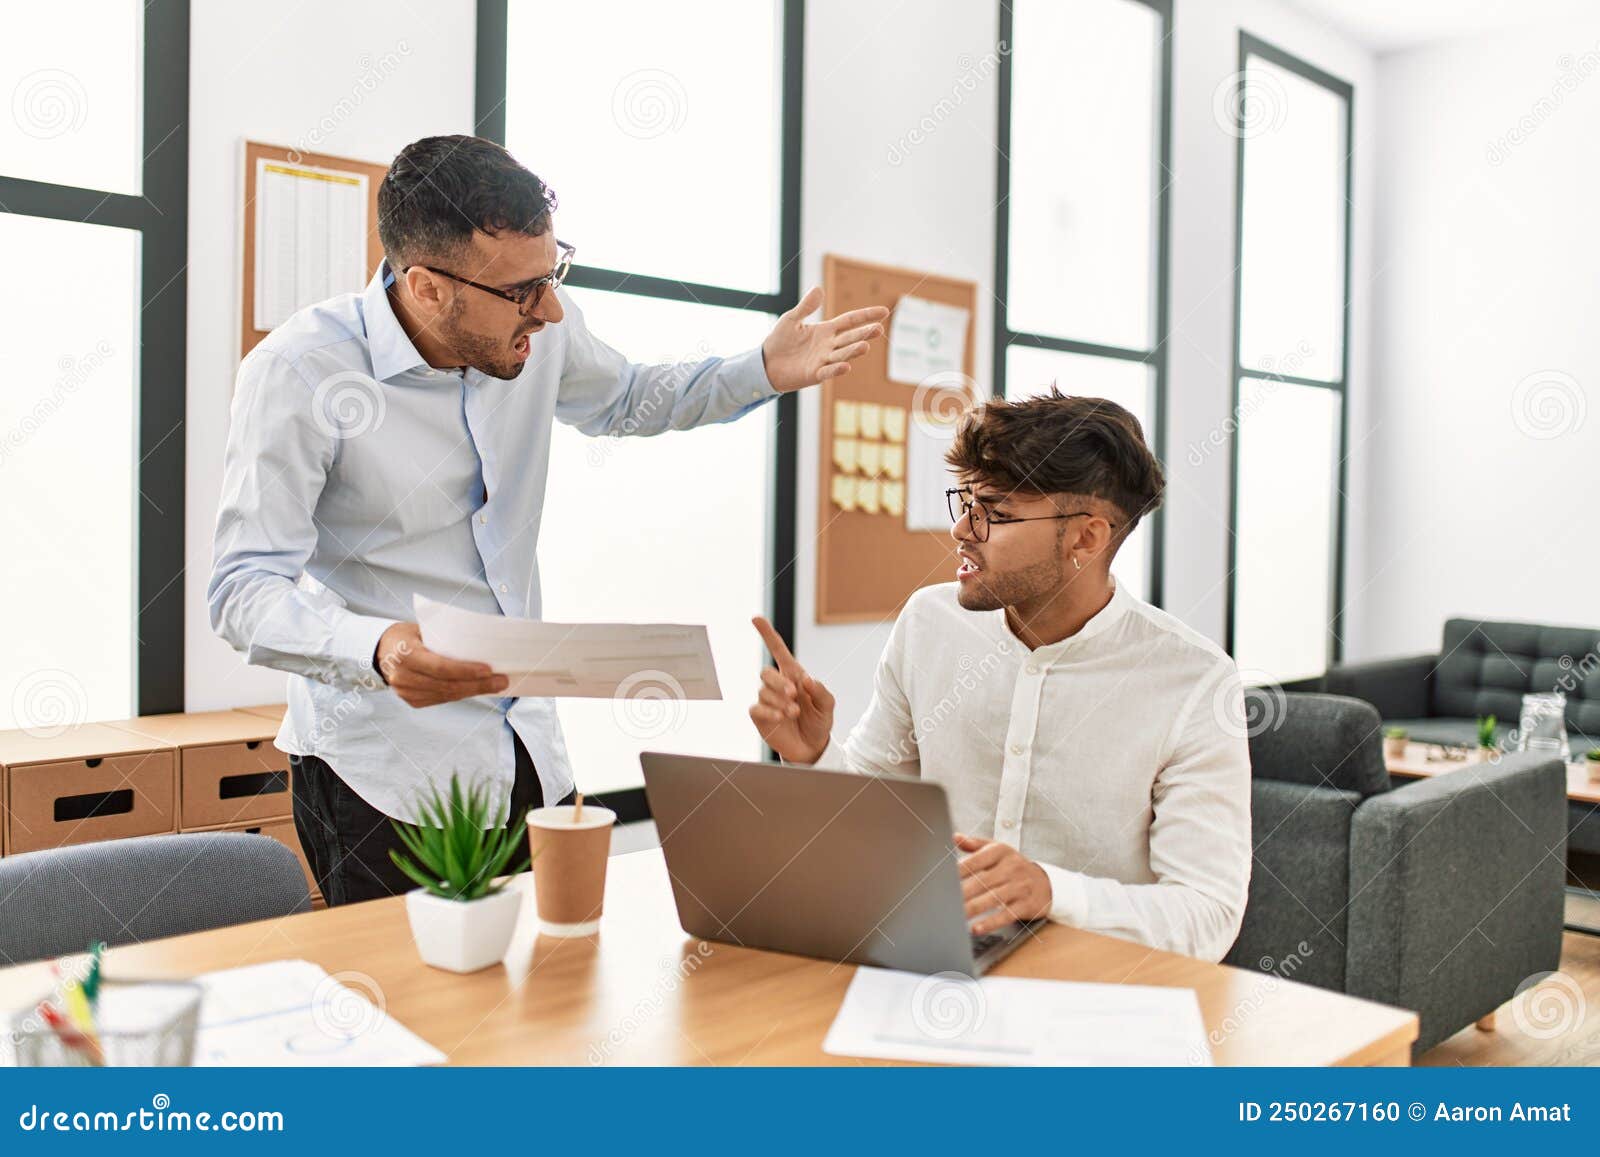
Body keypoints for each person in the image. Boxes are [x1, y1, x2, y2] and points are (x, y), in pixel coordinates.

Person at [209, 134, 887, 906]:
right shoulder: (302, 372)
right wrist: (379, 646)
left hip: (529, 751)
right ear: (428, 288)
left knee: (547, 996)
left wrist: (759, 370)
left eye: (553, 275)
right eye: (526, 291)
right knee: (414, 1014)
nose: (553, 308)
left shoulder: (536, 326)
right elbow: (242, 589)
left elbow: (626, 398)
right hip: (386, 772)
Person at [748, 390, 1252, 961]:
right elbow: (874, 814)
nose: (963, 530)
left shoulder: (1193, 680)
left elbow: (1208, 916)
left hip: (1097, 992)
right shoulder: (928, 624)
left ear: (1087, 537)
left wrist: (1050, 891)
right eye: (967, 503)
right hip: (930, 961)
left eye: (998, 514)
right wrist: (814, 756)